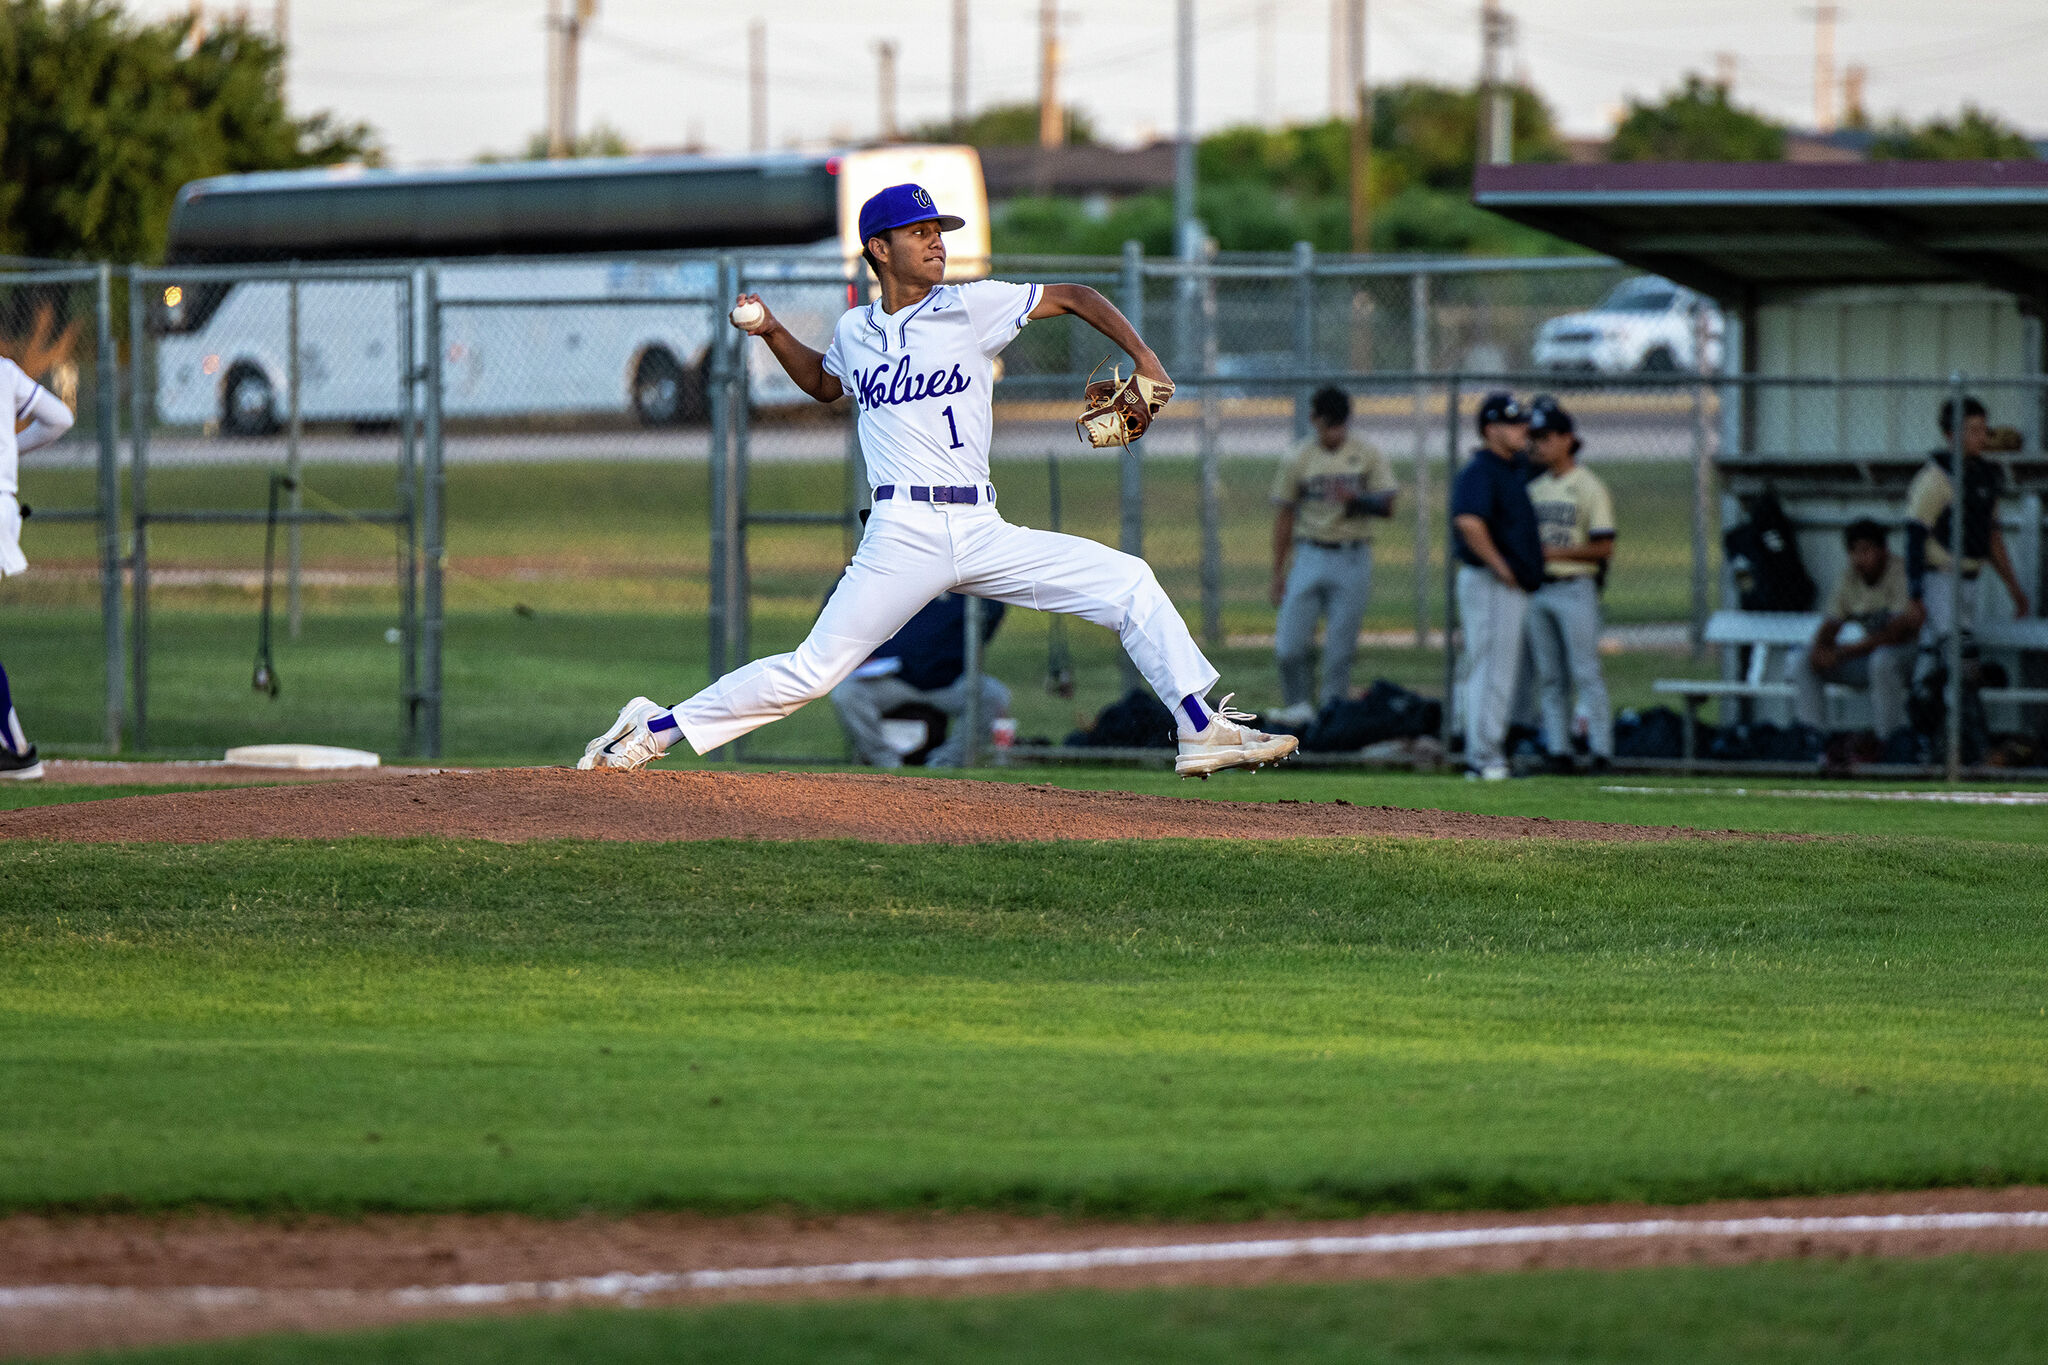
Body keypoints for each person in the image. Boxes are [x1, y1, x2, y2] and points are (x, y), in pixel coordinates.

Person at [578, 183, 1296, 778]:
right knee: (812, 671)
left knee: (1128, 582)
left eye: (939, 229)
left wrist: (1146, 356)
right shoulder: (856, 330)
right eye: (918, 231)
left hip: (982, 528)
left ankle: (1199, 724)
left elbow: (1075, 294)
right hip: (902, 533)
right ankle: (654, 726)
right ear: (879, 249)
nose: (936, 240)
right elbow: (826, 385)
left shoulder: (967, 307)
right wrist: (768, 330)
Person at [1266, 386, 1399, 727]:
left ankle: (1331, 718)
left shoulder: (1366, 453)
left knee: (1339, 651)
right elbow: (1284, 517)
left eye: (1340, 425)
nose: (1335, 433)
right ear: (1314, 421)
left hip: (1352, 555)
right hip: (1310, 553)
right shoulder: (1299, 456)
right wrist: (1278, 572)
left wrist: (1356, 500)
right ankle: (1298, 709)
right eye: (1328, 425)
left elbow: (1388, 505)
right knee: (1289, 646)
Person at [1449, 392, 1542, 781]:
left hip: (1502, 583)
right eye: (1514, 424)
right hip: (1489, 581)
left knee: (1494, 669)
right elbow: (1469, 522)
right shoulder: (1481, 470)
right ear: (1491, 430)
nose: (1524, 430)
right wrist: (1501, 567)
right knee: (1491, 669)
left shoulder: (1510, 468)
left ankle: (1485, 754)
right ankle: (1484, 758)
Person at [1523, 396, 1615, 773]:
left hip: (1575, 587)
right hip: (1539, 589)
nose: (1538, 444)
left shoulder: (1589, 486)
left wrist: (1554, 553)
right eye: (1535, 437)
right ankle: (1558, 750)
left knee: (1585, 672)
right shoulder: (1535, 487)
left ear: (1566, 439)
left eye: (1545, 437)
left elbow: (1604, 545)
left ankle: (1600, 751)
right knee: (1550, 676)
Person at [0, 352, 77, 781]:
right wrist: (11, 454)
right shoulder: (4, 370)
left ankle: (16, 751)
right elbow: (60, 419)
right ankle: (14, 749)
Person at [1907, 396, 2032, 650]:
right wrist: (1915, 593)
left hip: (1971, 579)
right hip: (1941, 580)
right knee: (1958, 657)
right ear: (1952, 435)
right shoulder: (1935, 479)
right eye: (1973, 431)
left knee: (1945, 662)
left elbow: (1992, 537)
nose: (1982, 438)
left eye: (1983, 430)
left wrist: (2013, 588)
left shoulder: (1985, 477)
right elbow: (1915, 535)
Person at [832, 591, 1010, 768]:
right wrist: (855, 652)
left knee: (992, 695)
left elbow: (991, 614)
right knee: (847, 692)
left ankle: (945, 765)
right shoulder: (895, 571)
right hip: (893, 677)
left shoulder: (969, 580)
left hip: (949, 680)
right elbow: (838, 607)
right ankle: (885, 763)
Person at [1792, 519, 1922, 739]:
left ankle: (1890, 742)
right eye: (1853, 551)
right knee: (1802, 661)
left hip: (1910, 658)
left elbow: (1895, 634)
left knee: (1882, 661)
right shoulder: (1850, 577)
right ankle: (1813, 739)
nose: (1858, 559)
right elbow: (1831, 623)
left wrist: (1843, 653)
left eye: (1865, 551)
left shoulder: (1900, 571)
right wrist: (1820, 648)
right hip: (1867, 657)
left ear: (1882, 550)